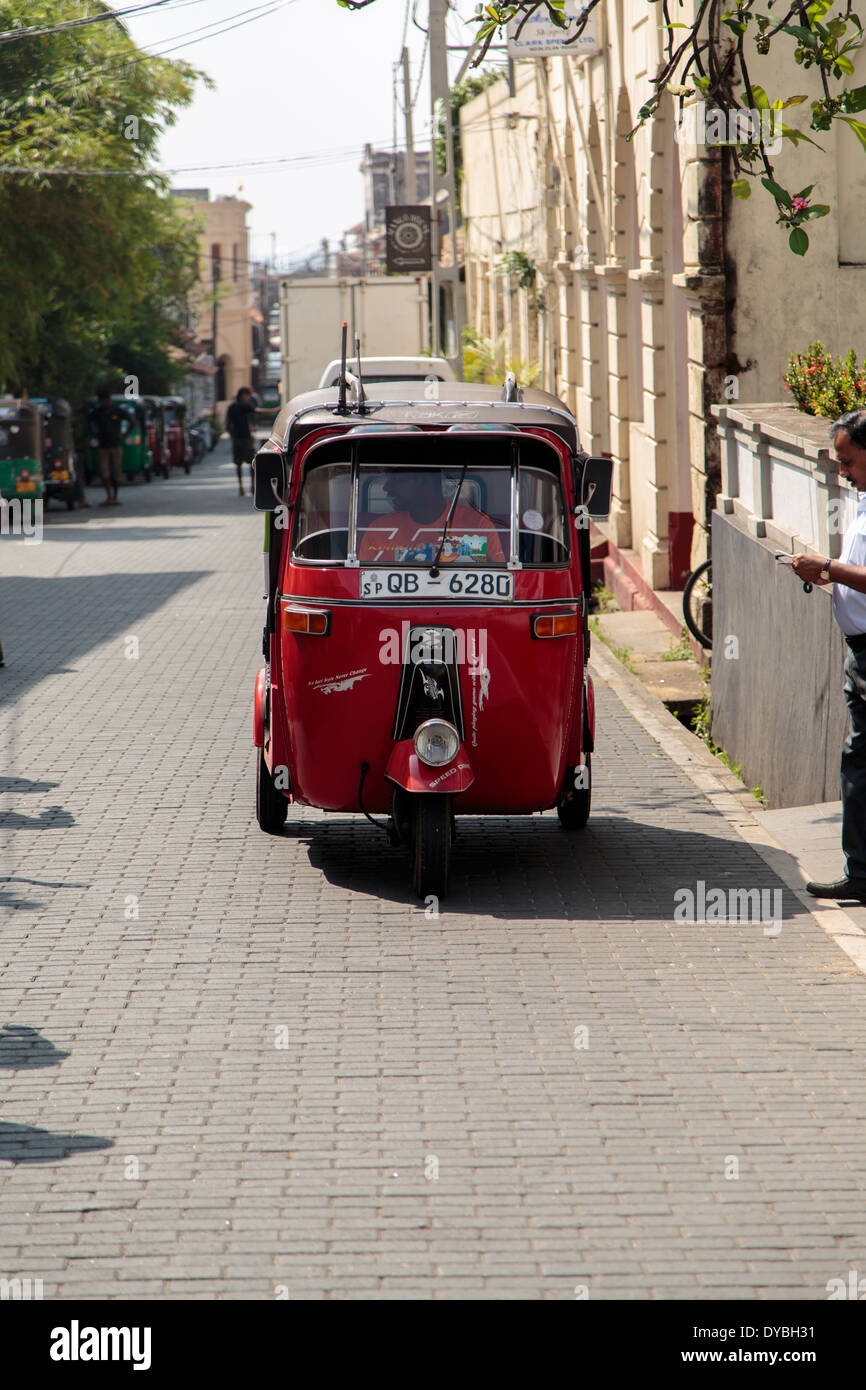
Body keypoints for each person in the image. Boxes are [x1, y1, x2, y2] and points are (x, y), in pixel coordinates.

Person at [792, 408, 866, 902]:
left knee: (858, 760)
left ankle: (861, 873)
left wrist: (830, 568)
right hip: (858, 650)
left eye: (849, 460)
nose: (842, 470)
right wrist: (827, 575)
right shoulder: (859, 500)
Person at [358, 468, 506, 564]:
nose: (386, 487)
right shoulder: (379, 529)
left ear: (425, 481)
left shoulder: (478, 525)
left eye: (397, 479)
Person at [88, 390, 127, 507]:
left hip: (116, 445)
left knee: (116, 472)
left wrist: (123, 436)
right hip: (103, 446)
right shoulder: (97, 412)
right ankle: (108, 496)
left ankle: (114, 496)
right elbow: (88, 422)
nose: (104, 403)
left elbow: (132, 422)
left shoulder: (117, 411)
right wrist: (95, 434)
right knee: (104, 472)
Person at [225, 387, 258, 496]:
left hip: (236, 438)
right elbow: (255, 411)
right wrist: (275, 410)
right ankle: (252, 487)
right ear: (243, 395)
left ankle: (241, 487)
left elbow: (228, 424)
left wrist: (232, 434)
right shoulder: (244, 405)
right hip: (246, 438)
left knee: (238, 464)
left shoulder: (231, 407)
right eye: (248, 396)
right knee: (252, 463)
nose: (249, 398)